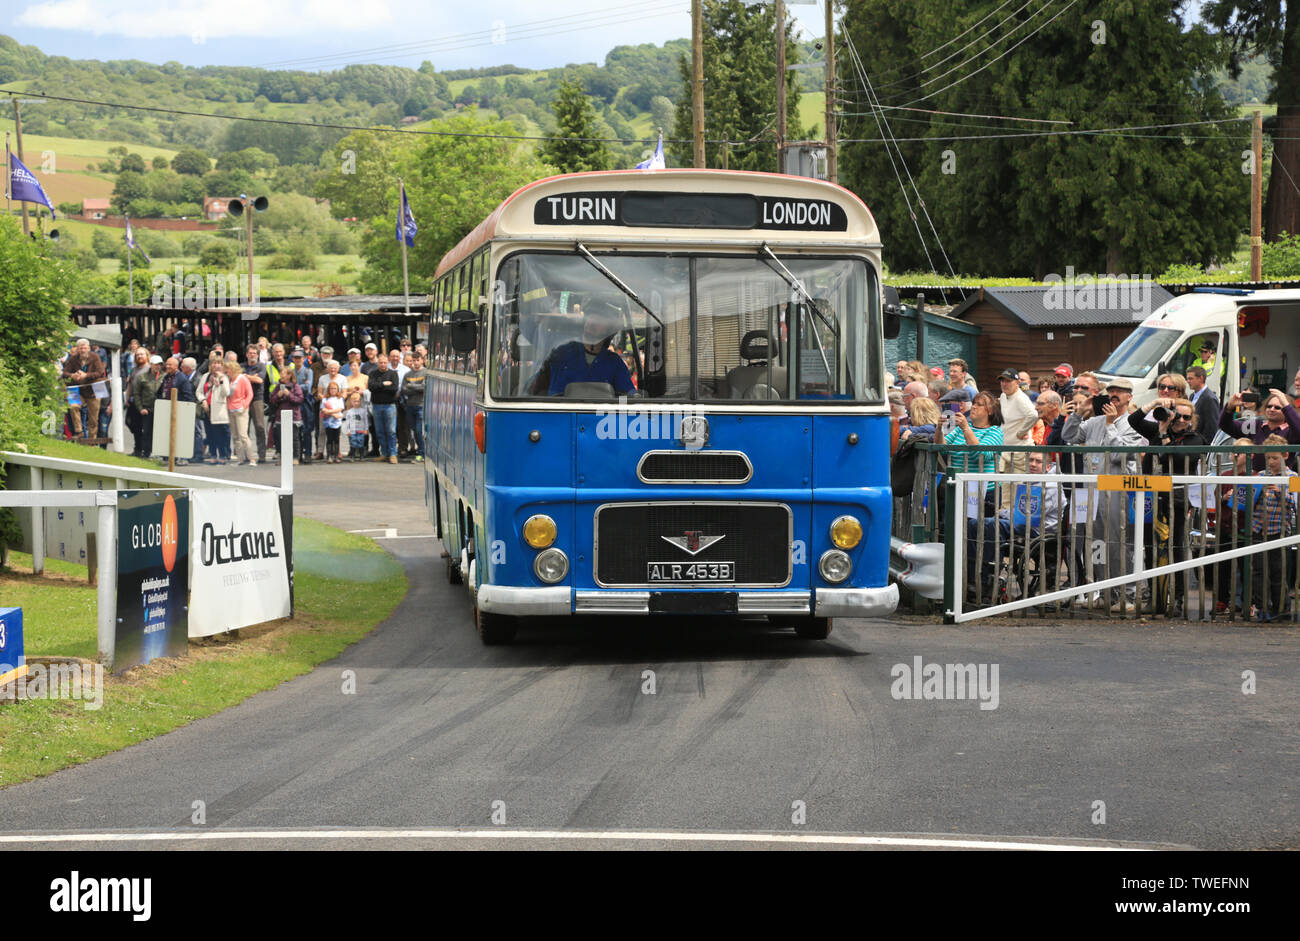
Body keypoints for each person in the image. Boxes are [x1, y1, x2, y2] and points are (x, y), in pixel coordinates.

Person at [1062, 376, 1145, 613]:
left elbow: (1120, 455)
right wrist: (1079, 412)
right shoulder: (1094, 421)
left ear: (1130, 396)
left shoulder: (1133, 423)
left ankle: (1127, 594)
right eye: (1111, 391)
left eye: (1120, 391)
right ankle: (1104, 591)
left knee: (1119, 543)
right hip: (1092, 490)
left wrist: (1110, 425)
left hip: (1118, 489)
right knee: (1095, 542)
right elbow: (1069, 437)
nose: (1114, 395)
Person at [1129, 395, 1208, 613]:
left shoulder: (1196, 439)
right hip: (1152, 498)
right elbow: (1133, 421)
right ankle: (1155, 597)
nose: (1180, 420)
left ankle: (1178, 598)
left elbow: (1170, 455)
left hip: (1179, 501)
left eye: (1186, 417)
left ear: (1192, 419)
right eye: (1177, 415)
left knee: (1178, 549)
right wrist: (1155, 405)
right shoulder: (1158, 430)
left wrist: (1163, 436)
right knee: (1151, 547)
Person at [527, 311, 636, 397]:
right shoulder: (559, 352)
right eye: (589, 319)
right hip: (558, 417)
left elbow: (628, 397)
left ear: (609, 331)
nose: (591, 324)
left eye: (599, 322)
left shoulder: (614, 362)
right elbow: (529, 329)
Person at [1249, 436, 1297, 621]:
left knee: (1279, 571)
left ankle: (1282, 608)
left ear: (1285, 455)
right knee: (1258, 571)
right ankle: (1261, 607)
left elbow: (1294, 503)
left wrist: (1280, 492)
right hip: (1258, 528)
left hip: (1279, 530)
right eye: (1268, 458)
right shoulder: (1260, 476)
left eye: (1275, 458)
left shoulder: (1292, 477)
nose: (1271, 462)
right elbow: (1248, 502)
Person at [1219, 388, 1300, 471]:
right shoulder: (1255, 425)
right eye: (1269, 406)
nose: (1272, 409)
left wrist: (1286, 405)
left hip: (1282, 481)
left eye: (1277, 407)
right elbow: (1226, 425)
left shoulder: (1291, 430)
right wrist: (1230, 407)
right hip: (1255, 480)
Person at [997, 367, 1037, 507]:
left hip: (1021, 450)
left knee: (1019, 490)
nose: (1004, 384)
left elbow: (1033, 415)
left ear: (1017, 382)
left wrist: (1021, 431)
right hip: (1007, 449)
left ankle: (1018, 523)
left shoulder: (1021, 398)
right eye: (1002, 381)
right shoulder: (1003, 396)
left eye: (1008, 381)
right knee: (1006, 490)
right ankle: (1005, 516)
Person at [62, 338, 106, 439]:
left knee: (93, 418)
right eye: (81, 348)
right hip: (79, 390)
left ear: (89, 348)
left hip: (94, 389)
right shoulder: (73, 358)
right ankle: (79, 431)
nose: (83, 350)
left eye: (85, 348)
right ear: (78, 349)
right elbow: (65, 372)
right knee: (73, 406)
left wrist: (86, 375)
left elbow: (99, 372)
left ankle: (92, 440)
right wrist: (73, 375)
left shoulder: (95, 357)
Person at [368, 353, 401, 463]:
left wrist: (379, 386)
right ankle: (384, 453)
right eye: (381, 362)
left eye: (385, 362)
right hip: (376, 406)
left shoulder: (393, 374)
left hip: (389, 406)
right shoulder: (373, 374)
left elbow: (394, 388)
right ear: (378, 363)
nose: (382, 364)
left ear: (388, 363)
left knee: (391, 431)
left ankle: (392, 454)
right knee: (380, 431)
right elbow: (371, 387)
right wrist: (383, 384)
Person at [129, 354, 162, 458]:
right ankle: (146, 452)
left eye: (160, 365)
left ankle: (158, 452)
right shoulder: (142, 377)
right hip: (147, 409)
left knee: (159, 432)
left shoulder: (164, 376)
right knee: (146, 432)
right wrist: (140, 408)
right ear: (151, 365)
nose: (158, 367)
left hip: (161, 409)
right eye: (156, 364)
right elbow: (137, 394)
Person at [227, 361, 256, 466]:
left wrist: (245, 405)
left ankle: (251, 458)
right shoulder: (228, 380)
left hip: (240, 410)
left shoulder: (242, 378)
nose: (227, 371)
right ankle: (240, 459)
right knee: (235, 436)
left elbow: (250, 393)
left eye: (228, 369)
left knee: (243, 435)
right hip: (231, 410)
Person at [203, 360, 232, 464]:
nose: (216, 366)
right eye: (213, 364)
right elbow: (200, 391)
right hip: (208, 408)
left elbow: (226, 392)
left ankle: (223, 455)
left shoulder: (224, 378)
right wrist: (203, 400)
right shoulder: (206, 377)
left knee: (221, 433)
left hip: (219, 409)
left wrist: (220, 382)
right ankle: (213, 454)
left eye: (218, 364)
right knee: (211, 433)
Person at [400, 352, 427, 462]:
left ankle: (422, 453)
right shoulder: (408, 374)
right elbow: (403, 389)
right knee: (414, 430)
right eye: (413, 360)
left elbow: (424, 388)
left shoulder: (426, 372)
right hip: (410, 405)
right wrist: (416, 388)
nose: (415, 363)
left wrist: (411, 386)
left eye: (417, 360)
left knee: (419, 430)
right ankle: (419, 450)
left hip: (421, 405)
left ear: (422, 360)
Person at [244, 344, 269, 463]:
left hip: (256, 399)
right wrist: (251, 377)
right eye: (250, 353)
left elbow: (259, 380)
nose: (252, 355)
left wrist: (246, 377)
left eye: (254, 353)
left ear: (258, 355)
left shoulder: (261, 366)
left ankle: (262, 454)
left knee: (259, 426)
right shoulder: (242, 366)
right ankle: (246, 455)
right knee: (244, 429)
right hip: (243, 399)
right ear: (246, 354)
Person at [1186, 366, 1220, 439]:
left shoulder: (1210, 399)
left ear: (1201, 378)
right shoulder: (1192, 396)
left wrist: (1203, 446)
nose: (1188, 381)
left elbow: (1212, 427)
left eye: (1191, 378)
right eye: (1187, 379)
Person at [319, 381, 345, 463]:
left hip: (337, 423)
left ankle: (336, 456)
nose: (333, 390)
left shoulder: (339, 398)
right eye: (331, 388)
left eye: (335, 388)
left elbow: (340, 408)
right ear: (328, 390)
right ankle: (329, 456)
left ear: (337, 389)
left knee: (336, 439)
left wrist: (331, 412)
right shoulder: (325, 399)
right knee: (329, 439)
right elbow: (324, 410)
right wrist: (334, 415)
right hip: (328, 423)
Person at [344, 388, 369, 461]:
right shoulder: (349, 412)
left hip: (361, 430)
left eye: (358, 401)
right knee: (353, 443)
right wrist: (348, 430)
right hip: (352, 430)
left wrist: (366, 429)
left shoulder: (363, 411)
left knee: (361, 443)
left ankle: (361, 456)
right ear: (351, 402)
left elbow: (365, 421)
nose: (356, 403)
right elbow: (347, 421)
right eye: (354, 401)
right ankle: (352, 456)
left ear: (360, 401)